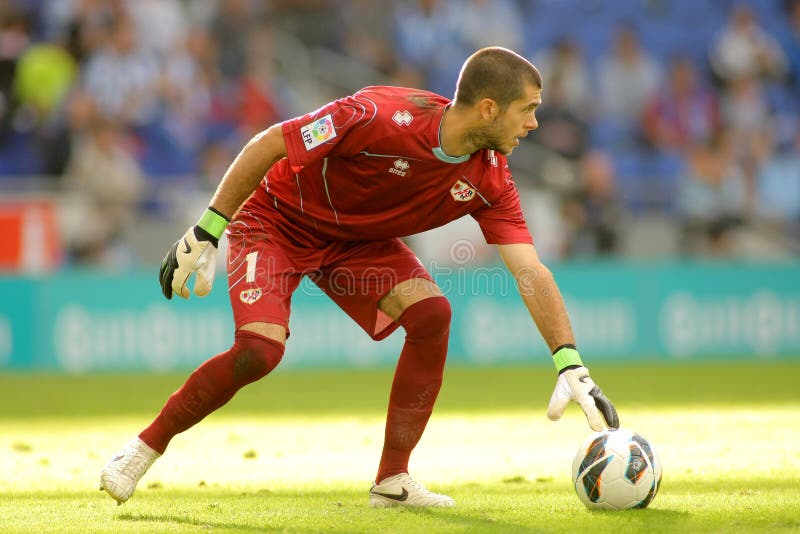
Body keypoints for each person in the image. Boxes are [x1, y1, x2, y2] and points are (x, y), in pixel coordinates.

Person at [100, 47, 618, 508]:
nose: (532, 124)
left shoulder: (490, 179)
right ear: (489, 109)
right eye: (527, 109)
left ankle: (393, 480)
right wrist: (210, 229)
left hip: (356, 246)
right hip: (278, 221)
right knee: (260, 351)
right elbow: (269, 144)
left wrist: (569, 362)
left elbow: (530, 270)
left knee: (432, 314)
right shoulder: (378, 115)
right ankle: (144, 447)